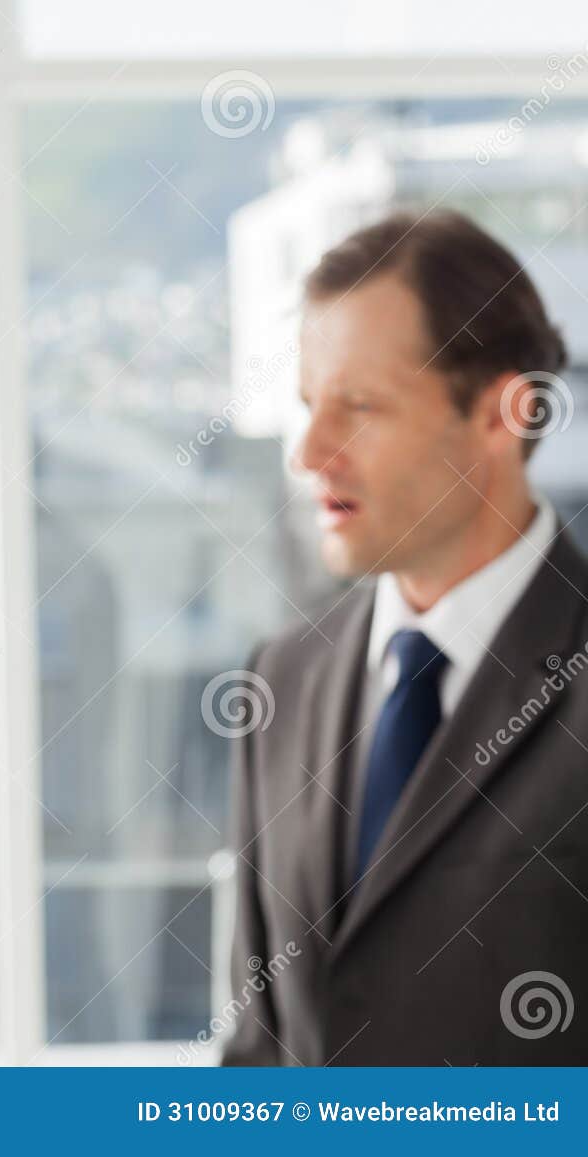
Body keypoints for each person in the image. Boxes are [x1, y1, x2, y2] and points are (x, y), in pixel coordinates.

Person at [224, 209, 588, 1064]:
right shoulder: (283, 678)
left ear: (504, 412)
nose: (310, 451)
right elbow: (262, 1047)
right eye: (310, 406)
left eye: (358, 407)